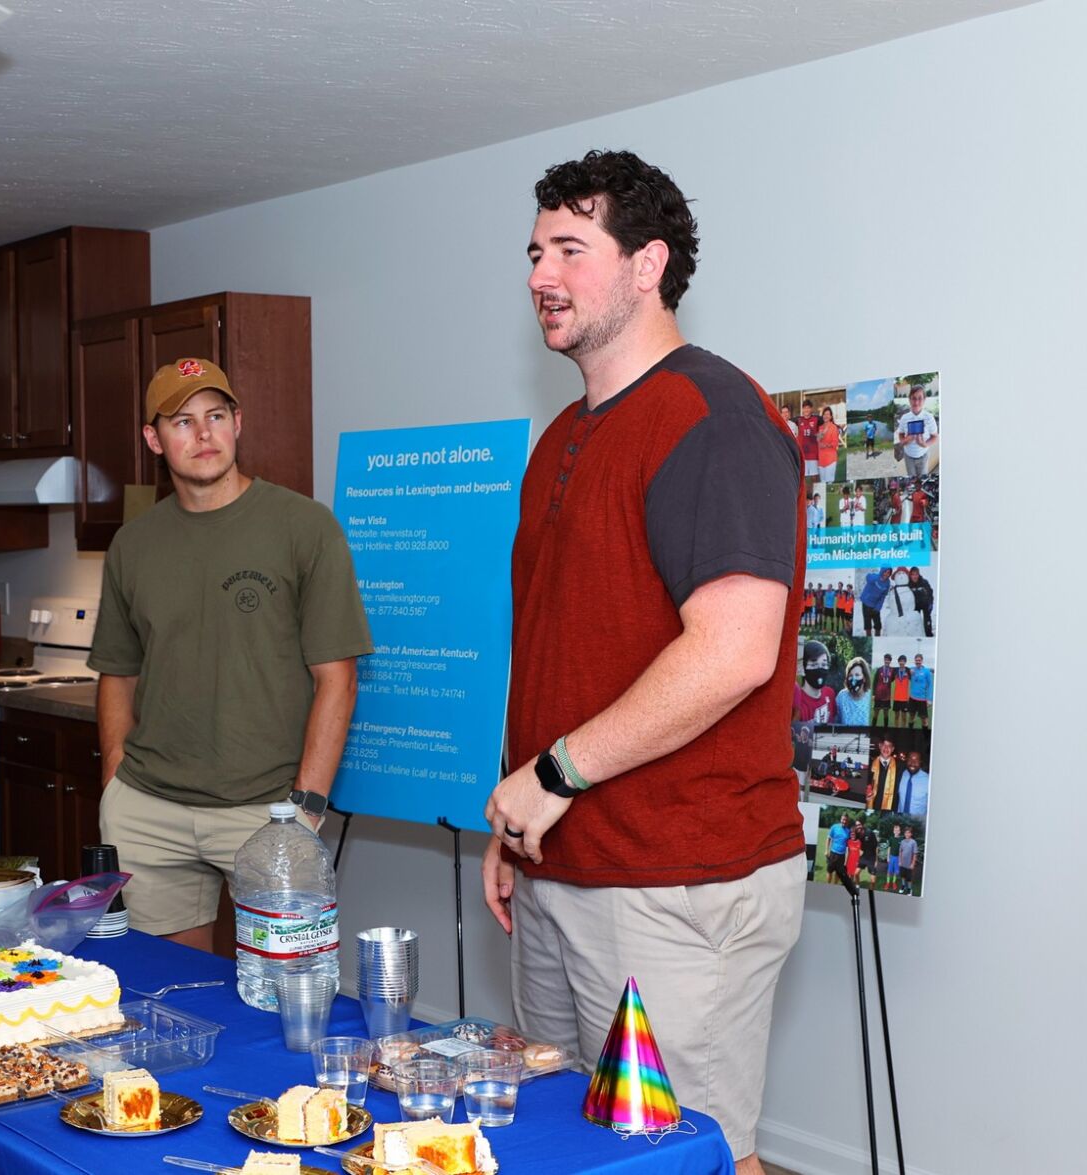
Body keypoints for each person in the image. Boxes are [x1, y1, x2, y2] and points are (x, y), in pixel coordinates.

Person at [483, 150, 805, 1175]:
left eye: (570, 249)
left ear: (645, 264)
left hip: (677, 875)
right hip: (562, 862)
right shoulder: (558, 440)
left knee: (686, 1158)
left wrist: (551, 774)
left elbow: (733, 650)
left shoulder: (710, 418)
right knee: (568, 1151)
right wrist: (517, 816)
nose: (541, 272)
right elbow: (561, 650)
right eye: (535, 250)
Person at [89, 357, 371, 951]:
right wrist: (116, 783)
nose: (203, 434)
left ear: (238, 422)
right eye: (183, 421)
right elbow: (118, 673)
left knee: (283, 989)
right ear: (154, 440)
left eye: (216, 415)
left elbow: (337, 680)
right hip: (149, 810)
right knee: (167, 996)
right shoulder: (132, 544)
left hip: (267, 812)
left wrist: (306, 811)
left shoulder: (304, 527)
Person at [895, 384, 939, 476]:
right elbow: (901, 434)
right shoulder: (904, 418)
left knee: (922, 476)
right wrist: (905, 440)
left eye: (920, 398)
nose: (916, 402)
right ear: (909, 399)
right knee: (911, 476)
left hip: (923, 455)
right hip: (908, 456)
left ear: (924, 400)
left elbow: (935, 436)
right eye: (913, 398)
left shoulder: (929, 417)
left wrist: (925, 444)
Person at [794, 639, 837, 724]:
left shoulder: (830, 693)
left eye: (824, 664)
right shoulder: (798, 700)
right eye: (814, 665)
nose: (820, 669)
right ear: (803, 668)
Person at [866, 738, 902, 811]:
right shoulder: (870, 764)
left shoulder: (900, 767)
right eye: (884, 745)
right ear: (879, 746)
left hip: (891, 807)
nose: (886, 748)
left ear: (892, 749)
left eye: (889, 746)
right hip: (873, 805)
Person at [836, 657, 872, 726]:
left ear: (864, 678)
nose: (853, 679)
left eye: (857, 675)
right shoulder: (842, 697)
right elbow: (835, 723)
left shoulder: (871, 698)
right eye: (850, 675)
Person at [859, 567, 891, 636]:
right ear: (882, 571)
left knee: (878, 625)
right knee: (868, 625)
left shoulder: (887, 583)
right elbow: (868, 577)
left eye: (888, 572)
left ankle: (877, 637)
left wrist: (878, 607)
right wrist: (875, 578)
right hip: (866, 603)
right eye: (885, 571)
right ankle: (868, 636)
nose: (886, 574)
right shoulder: (875, 577)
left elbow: (883, 596)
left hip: (875, 606)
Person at [898, 750, 931, 818]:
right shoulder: (901, 775)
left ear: (920, 762)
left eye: (916, 760)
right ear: (906, 760)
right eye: (910, 759)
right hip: (900, 819)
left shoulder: (928, 780)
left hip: (918, 823)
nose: (913, 763)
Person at [794, 397, 821, 479]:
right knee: (802, 478)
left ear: (811, 409)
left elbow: (828, 420)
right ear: (802, 409)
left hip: (813, 455)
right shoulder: (798, 420)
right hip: (802, 455)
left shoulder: (817, 419)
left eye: (808, 408)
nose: (806, 410)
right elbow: (786, 422)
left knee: (814, 478)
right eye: (805, 408)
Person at [908, 652, 935, 727]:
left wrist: (929, 699)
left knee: (924, 720)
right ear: (914, 661)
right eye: (916, 660)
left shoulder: (927, 671)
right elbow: (903, 669)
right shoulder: (912, 670)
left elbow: (930, 686)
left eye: (919, 660)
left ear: (922, 661)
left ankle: (925, 736)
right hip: (912, 698)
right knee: (911, 717)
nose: (918, 662)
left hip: (922, 699)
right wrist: (909, 671)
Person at [908, 566, 936, 637]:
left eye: (916, 574)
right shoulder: (908, 584)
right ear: (910, 575)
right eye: (913, 574)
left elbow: (930, 593)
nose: (915, 576)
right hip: (915, 605)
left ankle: (928, 634)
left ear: (919, 574)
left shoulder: (924, 582)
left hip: (925, 603)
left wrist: (931, 603)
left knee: (927, 619)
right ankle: (916, 634)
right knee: (915, 619)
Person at [817, 405, 842, 484]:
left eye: (828, 414)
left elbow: (835, 443)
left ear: (831, 416)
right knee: (822, 482)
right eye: (824, 414)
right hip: (821, 459)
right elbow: (818, 440)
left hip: (830, 459)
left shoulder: (834, 427)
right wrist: (824, 432)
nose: (826, 416)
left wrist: (826, 445)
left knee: (829, 482)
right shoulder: (820, 428)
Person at [826, 814, 851, 884]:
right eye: (843, 819)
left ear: (847, 821)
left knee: (838, 873)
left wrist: (846, 859)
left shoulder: (848, 831)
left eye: (846, 820)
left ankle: (834, 886)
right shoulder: (834, 827)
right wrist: (826, 850)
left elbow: (847, 846)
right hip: (833, 854)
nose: (844, 821)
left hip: (841, 856)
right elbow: (828, 838)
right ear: (841, 819)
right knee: (829, 871)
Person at [897, 828, 920, 894]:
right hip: (902, 863)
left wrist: (913, 864)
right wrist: (900, 861)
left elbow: (915, 854)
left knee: (909, 878)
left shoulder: (913, 842)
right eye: (906, 833)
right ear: (904, 834)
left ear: (911, 834)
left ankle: (909, 889)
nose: (907, 834)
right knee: (903, 876)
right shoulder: (902, 841)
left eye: (908, 833)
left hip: (909, 864)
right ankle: (903, 886)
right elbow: (900, 852)